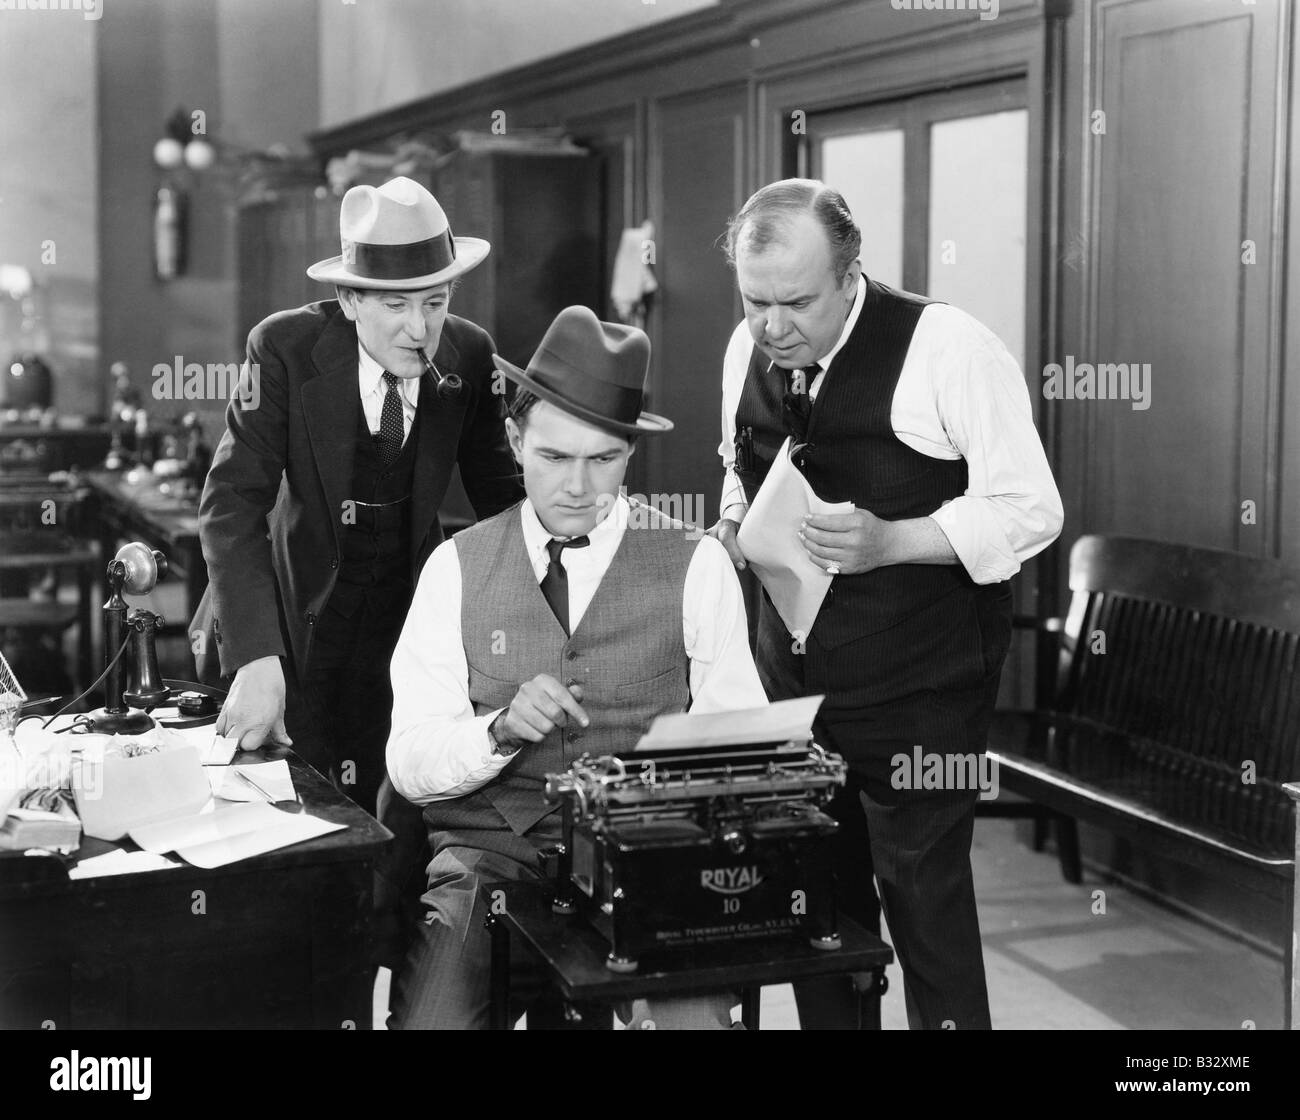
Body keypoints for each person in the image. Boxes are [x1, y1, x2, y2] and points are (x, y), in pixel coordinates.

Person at [711, 179, 1063, 1029]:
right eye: (755, 301)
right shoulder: (745, 344)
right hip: (792, 680)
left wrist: (894, 540)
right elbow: (739, 463)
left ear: (850, 274)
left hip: (924, 683)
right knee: (817, 910)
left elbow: (1033, 509)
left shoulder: (949, 347)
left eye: (796, 302)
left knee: (923, 901)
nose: (772, 327)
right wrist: (729, 524)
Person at [386, 305, 767, 1029]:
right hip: (490, 863)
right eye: (554, 458)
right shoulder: (455, 569)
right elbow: (410, 764)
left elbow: (738, 750)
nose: (577, 487)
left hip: (648, 863)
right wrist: (497, 731)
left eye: (604, 460)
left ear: (631, 453)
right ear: (513, 441)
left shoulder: (699, 565)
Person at [194, 176, 522, 817]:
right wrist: (258, 658)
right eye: (395, 307)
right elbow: (230, 506)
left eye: (435, 302)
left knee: (394, 826)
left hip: (403, 632)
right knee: (288, 827)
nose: (420, 330)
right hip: (290, 627)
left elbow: (502, 501)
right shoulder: (283, 350)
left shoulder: (469, 353)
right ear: (348, 298)